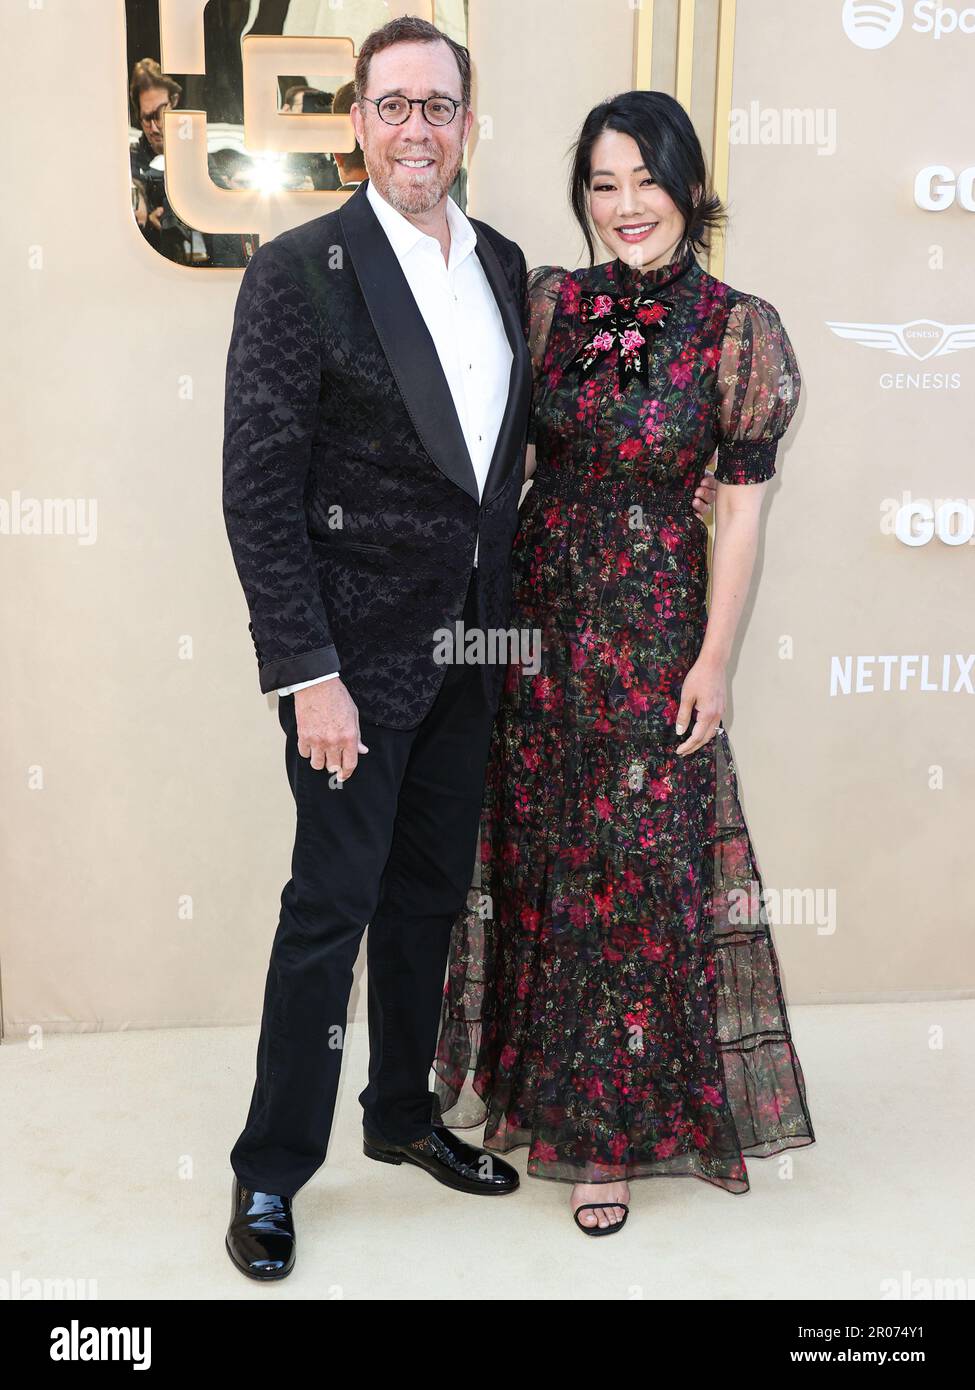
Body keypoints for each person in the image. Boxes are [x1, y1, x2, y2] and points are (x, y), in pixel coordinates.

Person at [221, 20, 717, 1280]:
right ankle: (270, 1171)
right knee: (326, 913)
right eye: (393, 106)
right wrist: (306, 673)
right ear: (356, 122)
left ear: (467, 124)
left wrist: (677, 483)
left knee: (433, 900)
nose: (416, 129)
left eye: (438, 107)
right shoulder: (300, 271)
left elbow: (528, 452)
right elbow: (259, 491)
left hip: (483, 653)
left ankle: (402, 1116)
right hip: (352, 668)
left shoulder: (504, 265)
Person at [434, 89, 815, 1235]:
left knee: (636, 882)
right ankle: (543, 1095)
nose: (625, 205)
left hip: (655, 631)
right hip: (540, 627)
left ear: (690, 185)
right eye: (603, 184)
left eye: (645, 179)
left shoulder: (739, 329)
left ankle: (606, 1139)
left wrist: (717, 659)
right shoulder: (549, 304)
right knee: (549, 866)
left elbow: (741, 516)